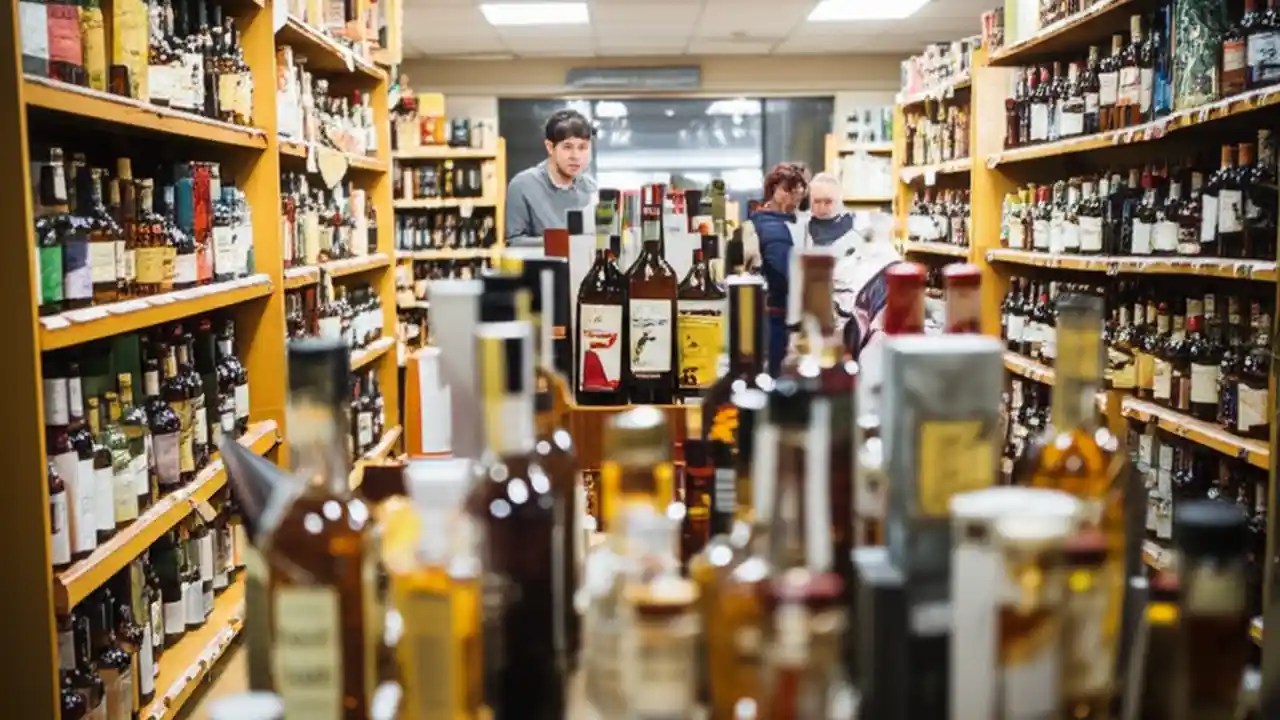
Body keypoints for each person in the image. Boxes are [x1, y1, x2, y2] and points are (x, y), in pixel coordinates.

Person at [505, 108, 598, 243]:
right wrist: (562, 243)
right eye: (567, 147)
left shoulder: (590, 188)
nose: (576, 156)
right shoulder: (522, 185)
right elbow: (514, 242)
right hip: (542, 264)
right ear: (550, 147)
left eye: (582, 147)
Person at [751, 162, 809, 375]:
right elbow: (787, 273)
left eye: (798, 194)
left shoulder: (772, 221)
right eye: (788, 192)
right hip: (778, 315)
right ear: (774, 190)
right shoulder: (773, 228)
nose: (793, 199)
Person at [806, 172, 860, 254]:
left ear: (839, 200)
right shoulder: (801, 228)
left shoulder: (858, 226)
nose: (822, 207)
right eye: (817, 201)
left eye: (828, 202)